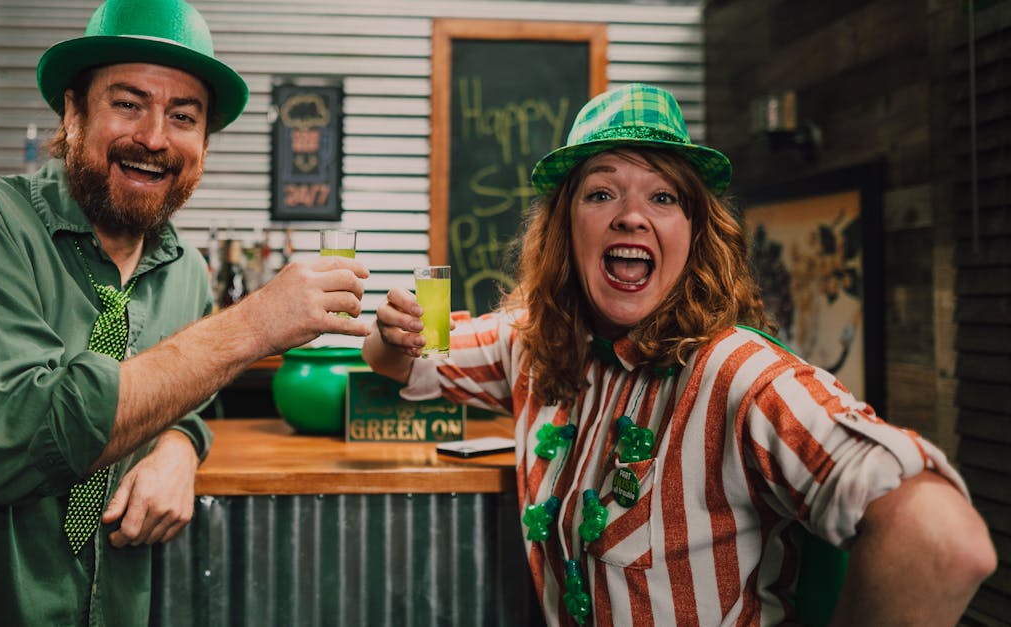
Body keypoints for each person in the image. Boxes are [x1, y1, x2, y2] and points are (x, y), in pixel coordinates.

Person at [0, 0, 369, 624]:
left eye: (183, 116)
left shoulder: (185, 274)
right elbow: (23, 442)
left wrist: (180, 445)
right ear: (72, 112)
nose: (154, 137)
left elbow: (179, 391)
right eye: (127, 104)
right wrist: (254, 324)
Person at [364, 83, 995, 625]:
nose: (632, 217)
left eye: (663, 197)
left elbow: (942, 543)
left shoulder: (741, 373)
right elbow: (405, 363)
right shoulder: (535, 341)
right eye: (602, 193)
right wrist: (391, 332)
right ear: (564, 228)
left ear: (695, 235)